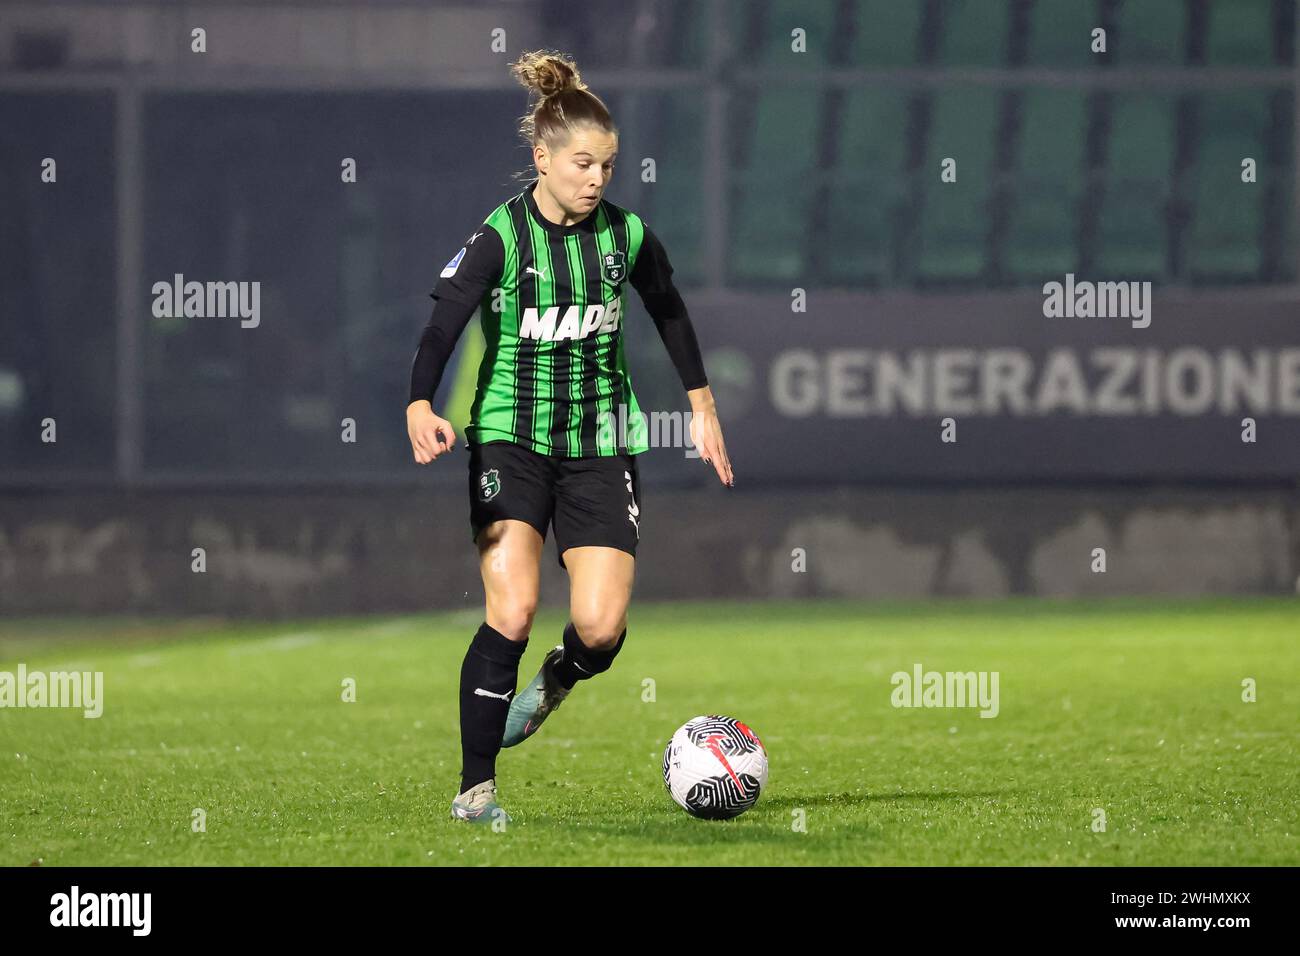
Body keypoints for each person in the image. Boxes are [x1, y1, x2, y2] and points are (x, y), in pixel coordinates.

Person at [406, 49, 734, 825]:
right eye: (582, 163)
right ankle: (476, 789)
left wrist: (702, 403)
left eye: (607, 166)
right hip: (509, 440)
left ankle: (559, 677)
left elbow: (670, 308)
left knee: (600, 627)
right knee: (512, 608)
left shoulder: (625, 236)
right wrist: (420, 403)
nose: (595, 179)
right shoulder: (501, 237)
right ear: (542, 158)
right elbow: (440, 326)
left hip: (600, 445)